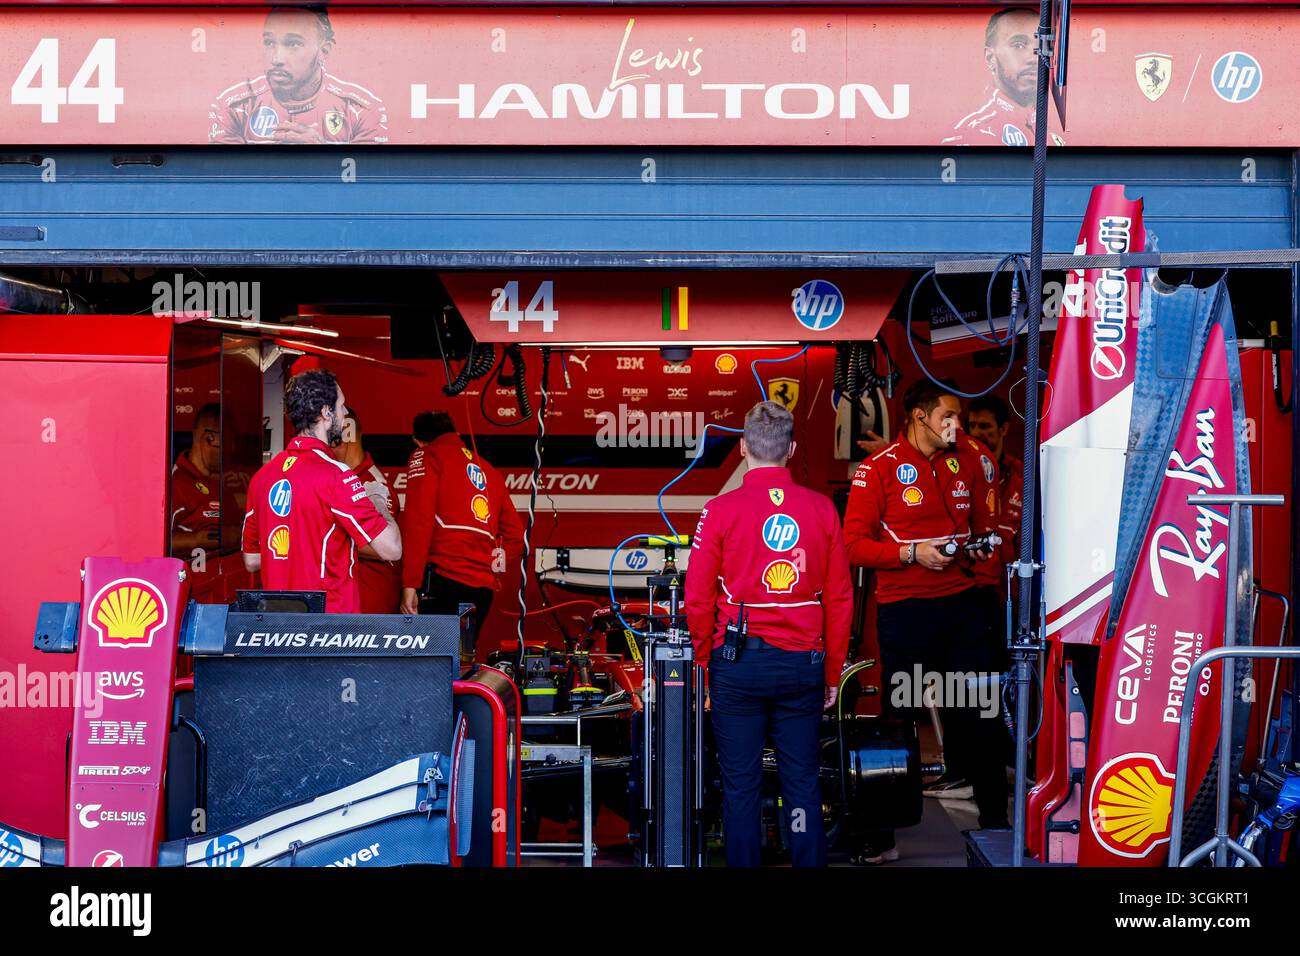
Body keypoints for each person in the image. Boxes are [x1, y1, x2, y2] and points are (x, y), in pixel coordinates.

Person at [843, 379, 1009, 863]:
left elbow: (987, 531)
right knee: (901, 720)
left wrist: (976, 555)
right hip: (905, 610)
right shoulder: (878, 469)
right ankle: (882, 835)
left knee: (980, 713)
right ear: (919, 417)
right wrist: (910, 552)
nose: (956, 425)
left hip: (962, 606)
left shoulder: (973, 457)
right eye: (948, 417)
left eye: (958, 418)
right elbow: (853, 545)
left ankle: (996, 826)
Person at [685, 401, 852, 867]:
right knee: (802, 781)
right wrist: (833, 674)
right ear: (792, 449)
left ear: (742, 449)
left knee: (740, 785)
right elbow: (839, 600)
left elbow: (696, 598)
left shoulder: (718, 510)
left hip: (737, 668)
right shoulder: (821, 510)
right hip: (804, 666)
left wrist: (703, 666)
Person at [241, 369, 401, 611]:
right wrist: (378, 500)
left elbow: (252, 560)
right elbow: (392, 549)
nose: (345, 413)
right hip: (329, 631)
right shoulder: (336, 475)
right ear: (326, 412)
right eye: (341, 406)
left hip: (278, 632)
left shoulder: (262, 478)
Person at [399, 411, 524, 638]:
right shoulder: (490, 471)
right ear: (456, 433)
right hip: (482, 591)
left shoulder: (426, 455)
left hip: (442, 582)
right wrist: (491, 565)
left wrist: (410, 584)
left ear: (418, 441)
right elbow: (516, 538)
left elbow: (419, 522)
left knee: (430, 666)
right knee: (462, 664)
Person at [208, 7, 388, 145]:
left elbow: (369, 188)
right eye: (269, 42)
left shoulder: (361, 110)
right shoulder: (234, 106)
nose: (276, 58)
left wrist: (320, 153)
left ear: (323, 51)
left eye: (293, 44)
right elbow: (224, 186)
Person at [941, 6, 1064, 147]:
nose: (1035, 58)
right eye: (1018, 45)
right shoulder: (974, 133)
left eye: (1042, 47)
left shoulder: (1053, 133)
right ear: (990, 57)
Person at [967, 394, 1024, 669]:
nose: (977, 433)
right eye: (972, 426)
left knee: (1004, 677)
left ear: (1003, 429)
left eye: (985, 426)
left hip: (1009, 599)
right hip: (968, 593)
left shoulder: (1022, 476)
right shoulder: (957, 471)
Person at [332, 407, 402, 614]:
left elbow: (382, 548)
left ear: (346, 432)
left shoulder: (373, 483)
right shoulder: (342, 479)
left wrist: (324, 540)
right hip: (351, 603)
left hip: (372, 605)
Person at [171, 403, 222, 557]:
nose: (232, 450)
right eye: (226, 443)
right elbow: (151, 541)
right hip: (190, 575)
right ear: (208, 439)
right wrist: (197, 540)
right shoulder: (174, 485)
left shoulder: (226, 481)